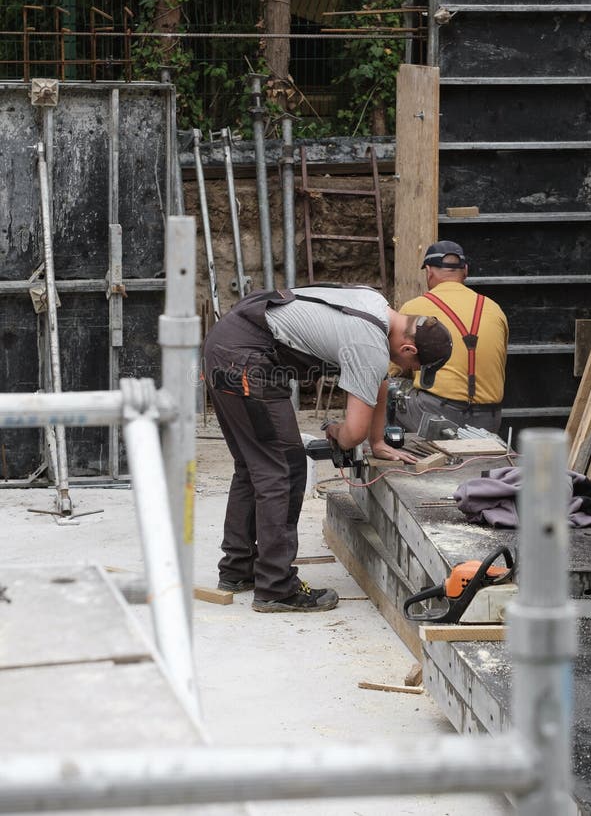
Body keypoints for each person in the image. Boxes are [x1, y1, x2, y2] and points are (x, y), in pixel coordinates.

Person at [202, 283, 452, 614]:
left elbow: (377, 379)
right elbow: (351, 435)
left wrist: (376, 442)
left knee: (254, 466)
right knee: (285, 469)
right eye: (414, 367)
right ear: (407, 349)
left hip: (227, 346)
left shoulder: (374, 305)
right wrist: (339, 432)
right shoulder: (369, 344)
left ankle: (238, 569)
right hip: (246, 362)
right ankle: (276, 588)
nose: (408, 371)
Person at [391, 241, 508, 435]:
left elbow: (395, 369)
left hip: (435, 416)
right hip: (489, 420)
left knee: (387, 389)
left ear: (429, 271)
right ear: (466, 271)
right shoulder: (494, 309)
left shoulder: (414, 308)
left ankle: (392, 453)